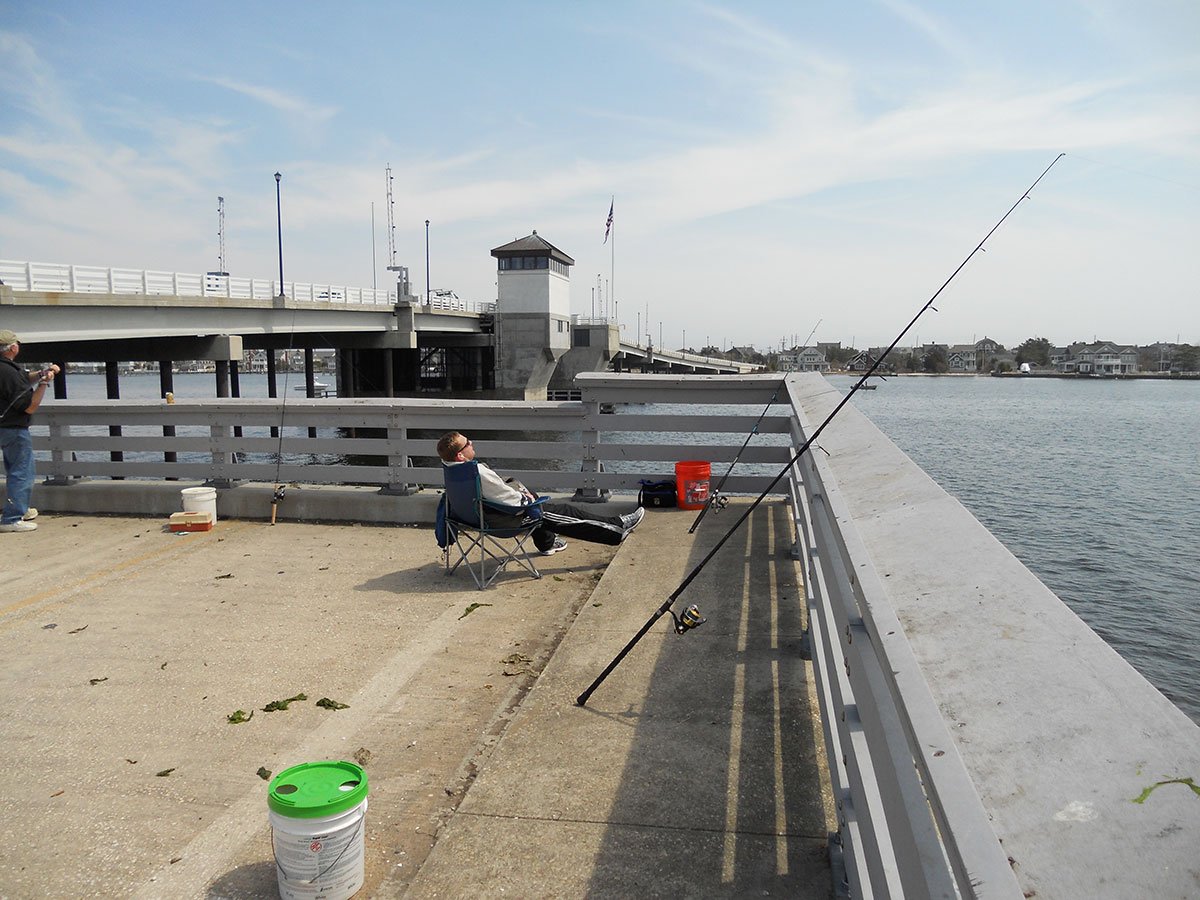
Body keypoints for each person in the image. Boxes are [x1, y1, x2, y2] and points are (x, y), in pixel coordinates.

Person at [436, 430, 644, 554]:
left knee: (537, 502)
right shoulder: (477, 472)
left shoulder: (451, 470)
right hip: (500, 522)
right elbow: (511, 500)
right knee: (560, 512)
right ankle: (616, 529)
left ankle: (547, 543)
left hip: (473, 519)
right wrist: (528, 500)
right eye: (467, 443)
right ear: (461, 456)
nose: (472, 443)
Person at [0, 330, 60, 533]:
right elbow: (29, 407)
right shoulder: (9, 373)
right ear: (13, 348)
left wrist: (41, 374)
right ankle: (12, 518)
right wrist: (44, 383)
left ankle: (19, 507)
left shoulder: (8, 371)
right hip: (13, 428)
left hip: (3, 427)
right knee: (21, 472)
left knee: (13, 471)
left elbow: (24, 379)